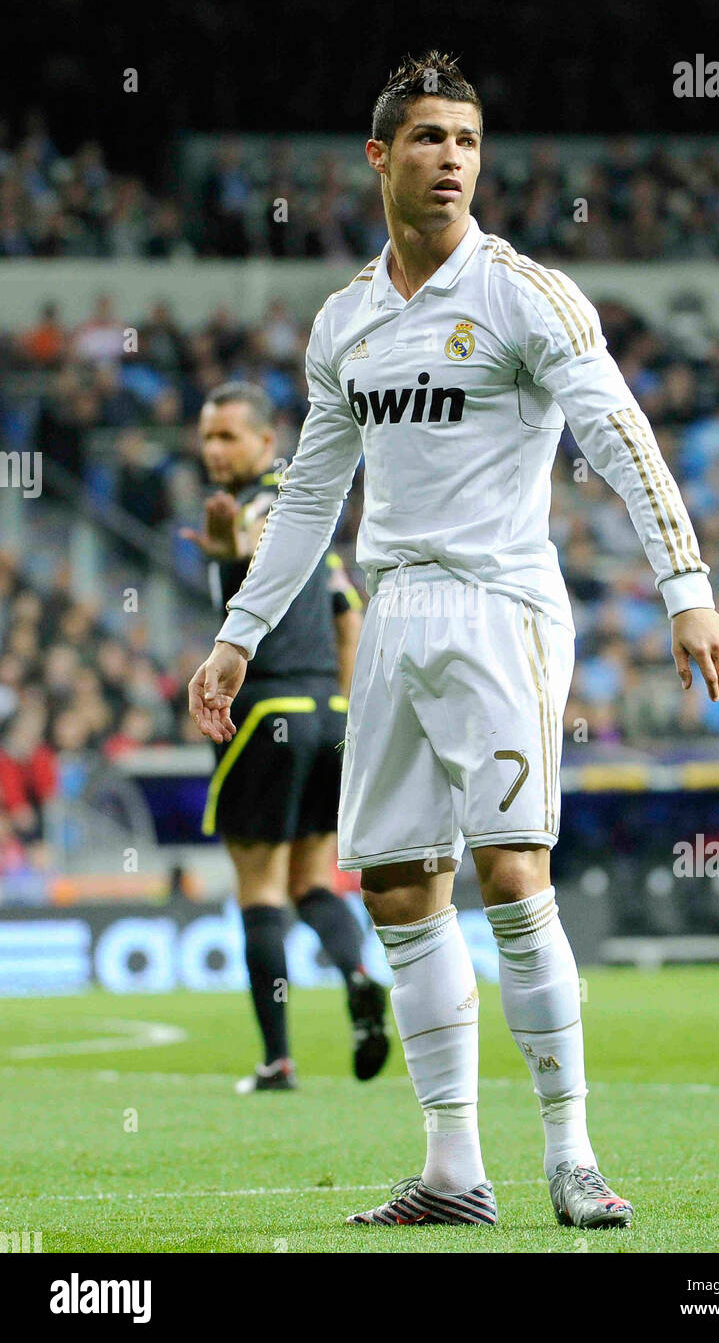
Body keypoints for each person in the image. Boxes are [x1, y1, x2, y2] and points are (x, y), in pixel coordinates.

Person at [188, 53, 719, 1227]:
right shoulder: (345, 323)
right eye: (427, 138)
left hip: (500, 607)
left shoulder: (526, 295)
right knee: (395, 883)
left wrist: (686, 585)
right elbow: (308, 499)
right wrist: (238, 632)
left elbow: (623, 436)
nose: (451, 159)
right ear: (379, 157)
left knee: (509, 870)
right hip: (390, 615)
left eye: (467, 140)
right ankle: (453, 1171)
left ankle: (571, 1156)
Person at [182, 380, 388, 1091]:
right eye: (207, 436)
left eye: (228, 436)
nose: (214, 450)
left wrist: (230, 555)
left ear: (267, 442)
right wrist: (351, 706)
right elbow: (348, 611)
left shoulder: (260, 507)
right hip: (327, 713)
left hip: (265, 711)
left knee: (259, 887)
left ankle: (277, 1059)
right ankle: (358, 974)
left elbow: (255, 549)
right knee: (312, 878)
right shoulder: (313, 519)